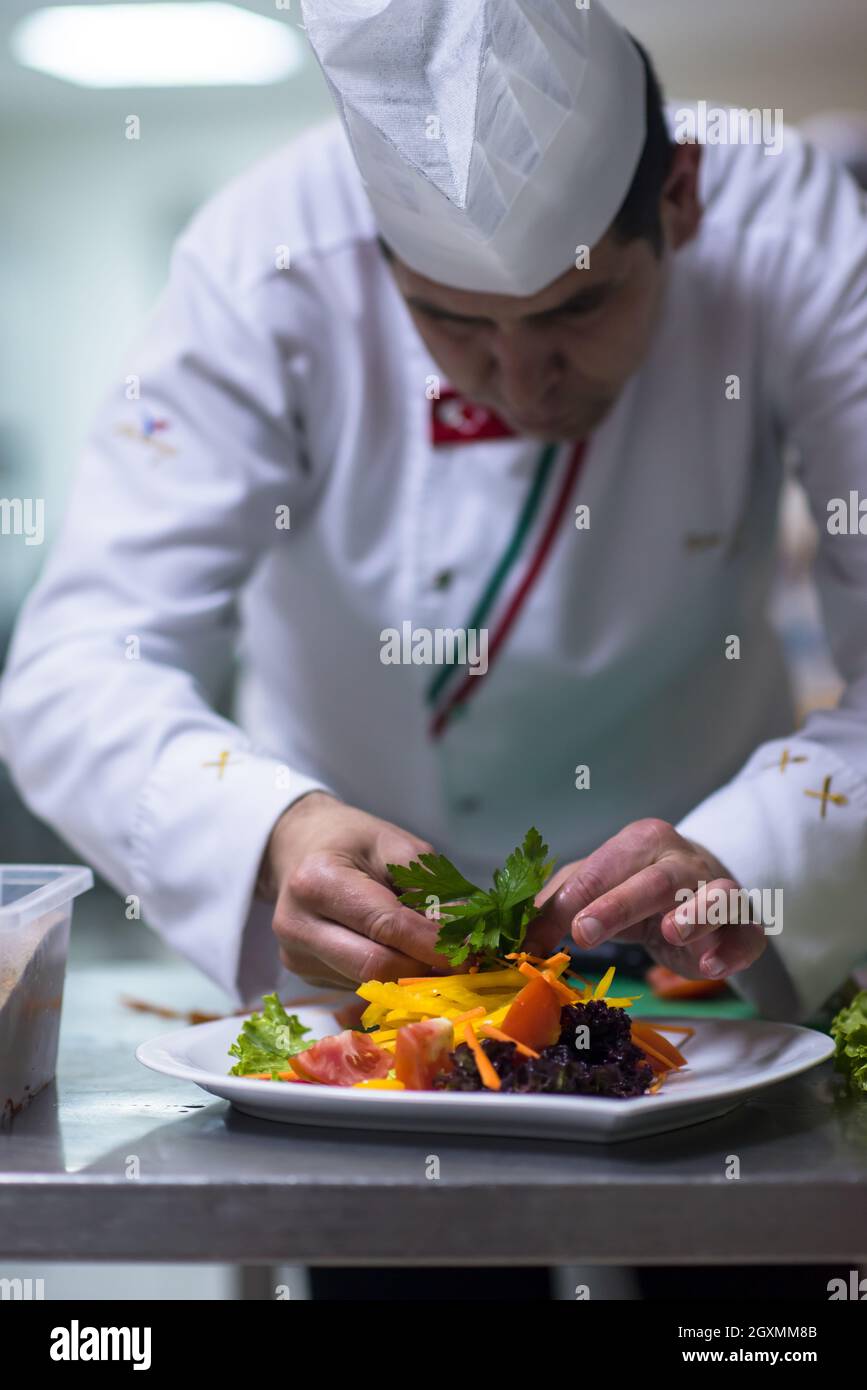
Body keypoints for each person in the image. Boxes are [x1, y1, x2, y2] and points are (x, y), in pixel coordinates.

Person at [1, 0, 865, 1026]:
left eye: (577, 308)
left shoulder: (793, 230)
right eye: (451, 322)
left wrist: (753, 849)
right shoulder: (260, 258)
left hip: (707, 955)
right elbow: (79, 661)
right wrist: (277, 829)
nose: (520, 381)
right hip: (359, 973)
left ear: (680, 195)